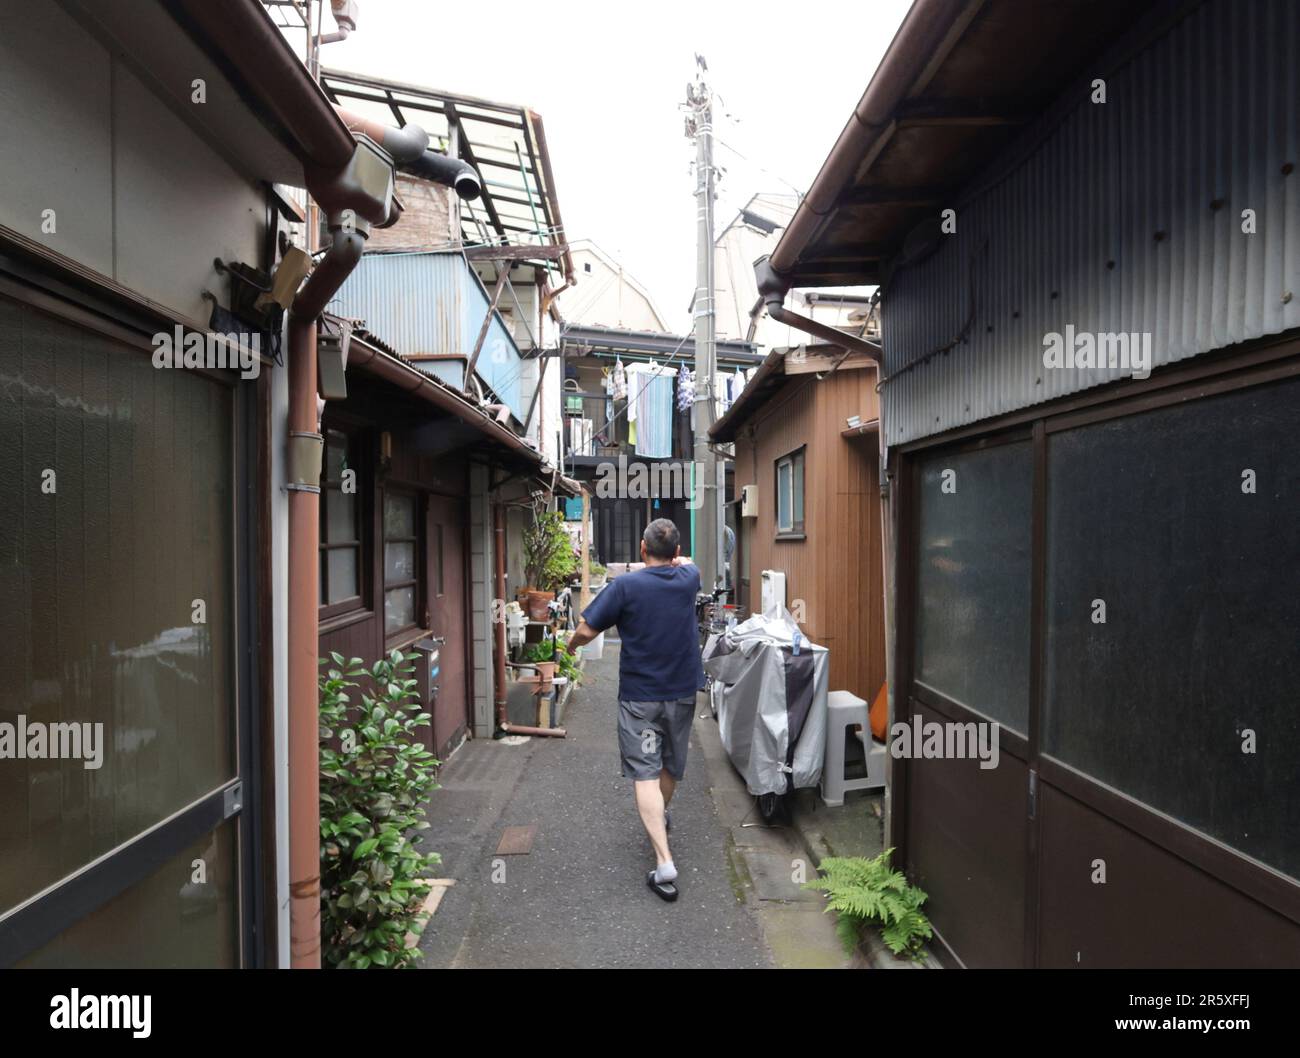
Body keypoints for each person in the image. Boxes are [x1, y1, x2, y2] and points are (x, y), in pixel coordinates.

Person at [565, 518, 705, 902]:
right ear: (675, 553)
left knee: (644, 773)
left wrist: (571, 646)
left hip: (641, 698)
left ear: (642, 550)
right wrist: (679, 561)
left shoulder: (624, 586)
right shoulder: (689, 579)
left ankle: (664, 863)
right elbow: (692, 564)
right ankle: (660, 816)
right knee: (669, 767)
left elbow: (588, 630)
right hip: (681, 693)